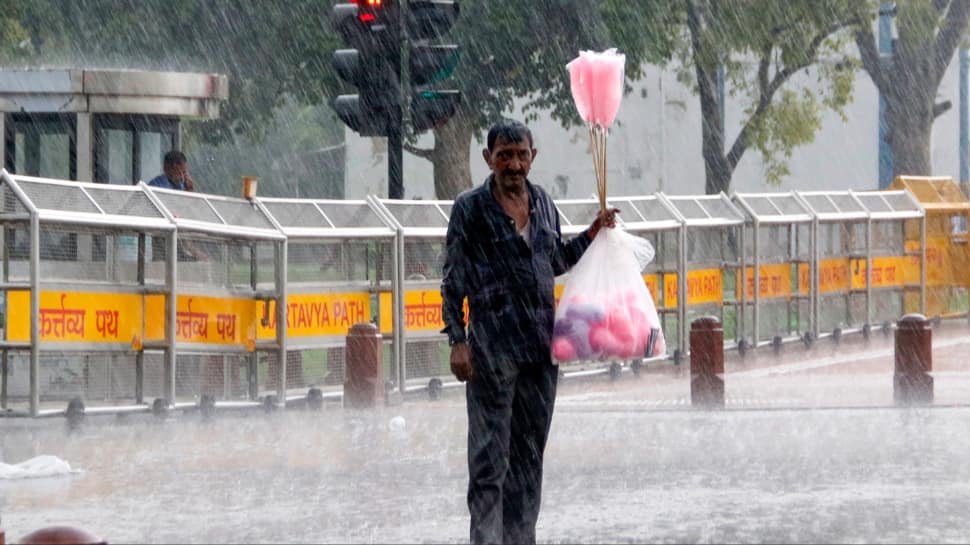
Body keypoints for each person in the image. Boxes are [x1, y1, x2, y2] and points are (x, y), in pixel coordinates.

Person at [440, 119, 618, 545]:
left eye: (521, 155)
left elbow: (554, 261)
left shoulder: (543, 204)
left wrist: (593, 232)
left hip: (539, 351)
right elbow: (452, 279)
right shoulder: (470, 209)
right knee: (489, 462)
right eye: (505, 156)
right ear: (489, 159)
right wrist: (458, 340)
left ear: (533, 157)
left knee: (528, 460)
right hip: (492, 353)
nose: (514, 165)